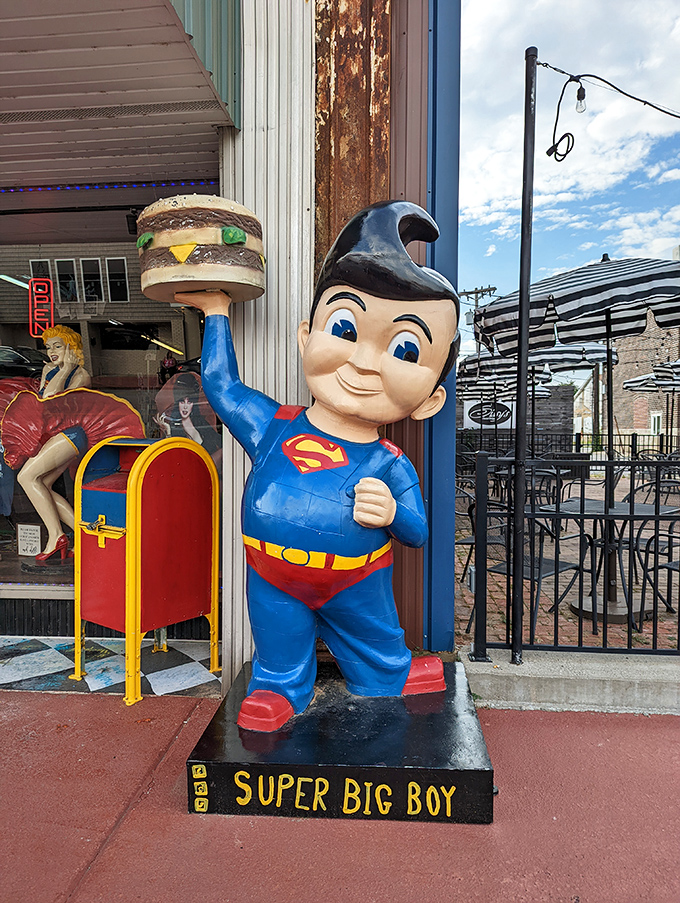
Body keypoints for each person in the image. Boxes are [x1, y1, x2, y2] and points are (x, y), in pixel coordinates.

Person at [176, 200, 460, 732]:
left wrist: (393, 512)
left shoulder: (390, 461)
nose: (364, 361)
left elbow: (418, 531)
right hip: (272, 573)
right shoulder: (273, 424)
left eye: (404, 349)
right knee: (278, 645)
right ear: (307, 337)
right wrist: (216, 311)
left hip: (356, 580)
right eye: (346, 328)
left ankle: (389, 673)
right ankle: (280, 687)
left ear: (429, 400)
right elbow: (220, 386)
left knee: (377, 644)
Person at [0, 325, 145, 562]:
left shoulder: (80, 375)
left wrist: (65, 369)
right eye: (48, 347)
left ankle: (57, 536)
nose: (51, 351)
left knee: (26, 477)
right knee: (42, 484)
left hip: (74, 435)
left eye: (57, 345)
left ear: (70, 347)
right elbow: (42, 405)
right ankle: (80, 533)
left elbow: (51, 401)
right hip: (55, 435)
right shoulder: (48, 370)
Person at [154, 371, 222, 467]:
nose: (185, 406)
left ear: (193, 404)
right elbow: (171, 454)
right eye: (182, 401)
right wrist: (167, 431)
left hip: (203, 469)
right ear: (178, 403)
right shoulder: (174, 425)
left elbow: (220, 442)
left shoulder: (201, 423)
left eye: (189, 402)